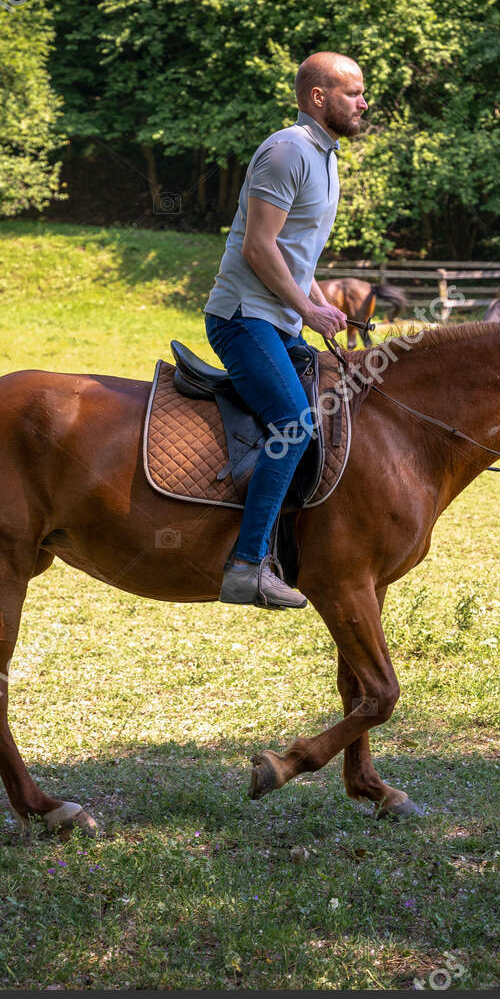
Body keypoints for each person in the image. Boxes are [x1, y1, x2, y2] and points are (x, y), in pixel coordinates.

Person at [203, 51, 368, 609]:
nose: (364, 102)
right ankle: (248, 565)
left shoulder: (326, 157)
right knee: (294, 424)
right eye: (353, 93)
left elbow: (297, 254)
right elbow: (258, 246)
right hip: (244, 316)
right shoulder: (287, 149)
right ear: (318, 97)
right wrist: (307, 307)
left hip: (280, 317)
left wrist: (319, 304)